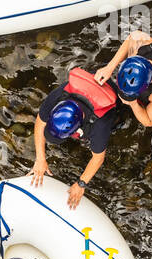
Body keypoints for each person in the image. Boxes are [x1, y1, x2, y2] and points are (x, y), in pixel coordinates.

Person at [31, 67, 127, 209]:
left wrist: (81, 184)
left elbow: (98, 157)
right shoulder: (60, 95)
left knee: (117, 121)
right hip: (91, 78)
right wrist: (40, 158)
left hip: (109, 96)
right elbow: (40, 121)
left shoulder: (99, 124)